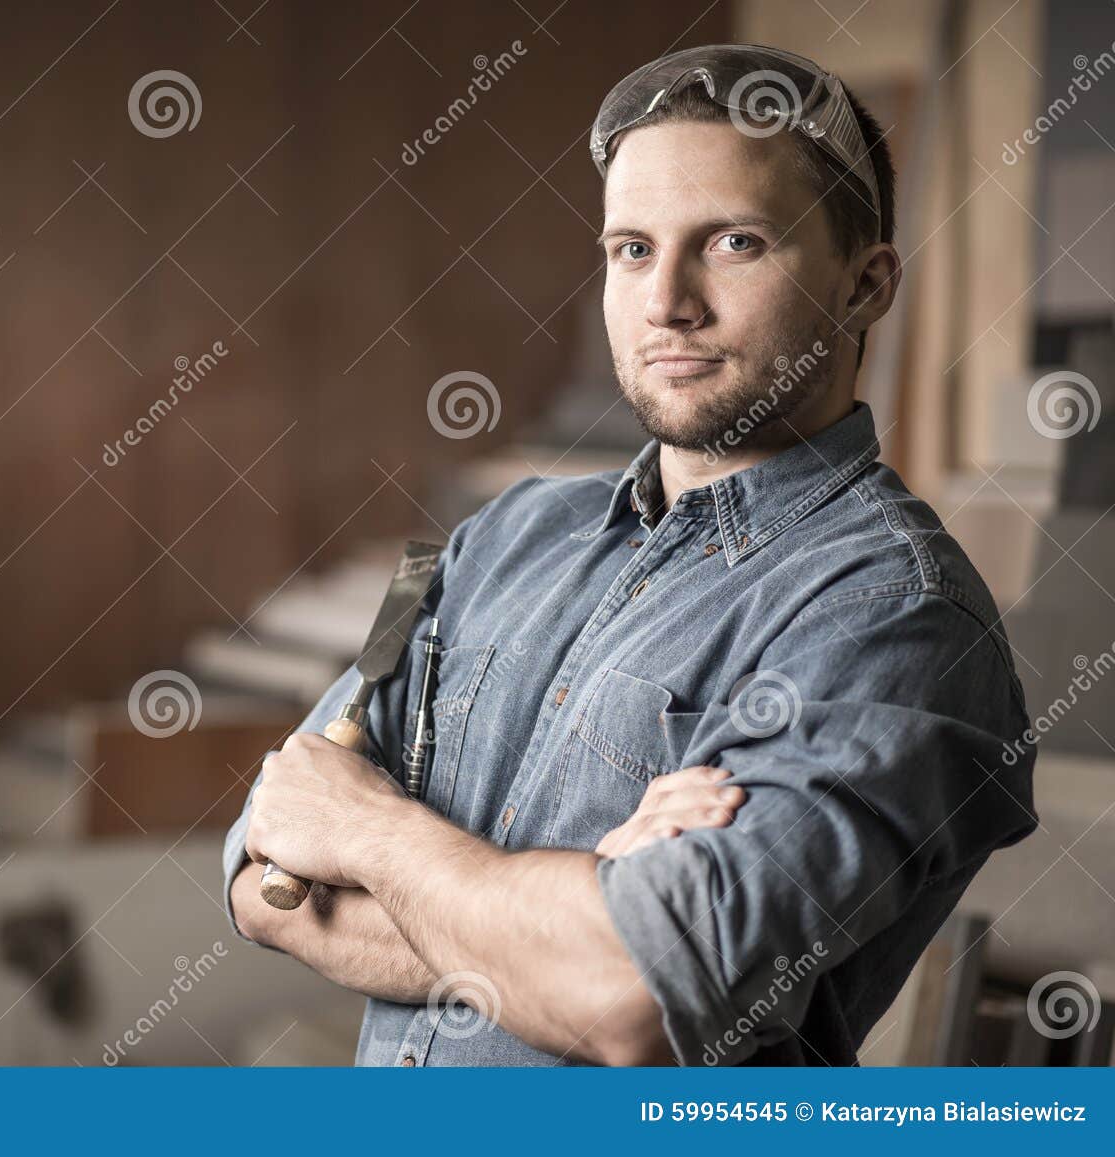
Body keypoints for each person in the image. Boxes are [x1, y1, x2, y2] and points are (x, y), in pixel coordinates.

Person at [221, 43, 1037, 1066]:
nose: (666, 302)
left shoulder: (892, 616)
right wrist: (569, 906)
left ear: (866, 285)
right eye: (631, 249)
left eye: (734, 241)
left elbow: (629, 994)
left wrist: (375, 836)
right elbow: (266, 878)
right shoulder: (505, 538)